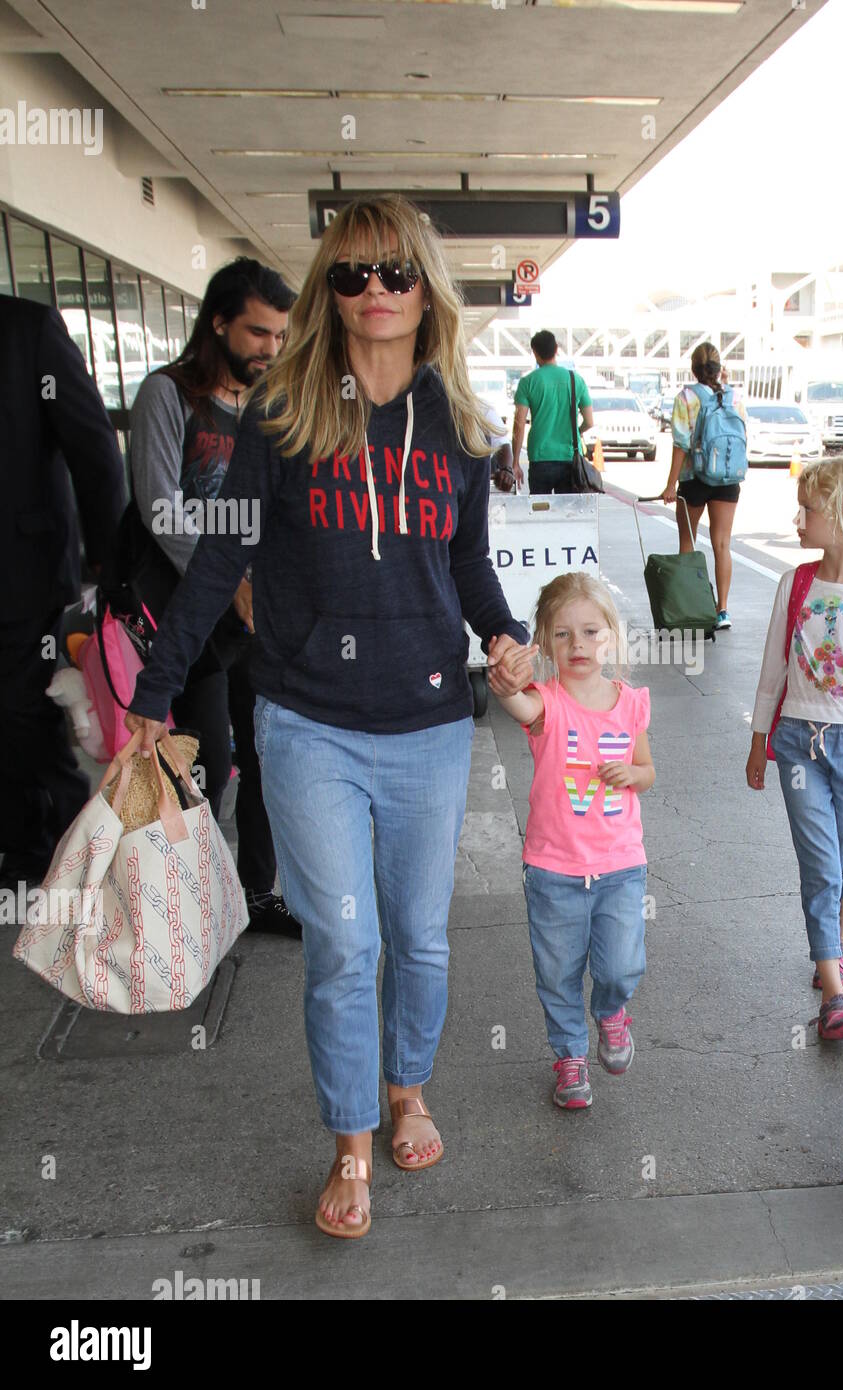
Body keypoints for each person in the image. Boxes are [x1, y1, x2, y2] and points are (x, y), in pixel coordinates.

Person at [125, 194, 533, 1239]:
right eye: (350, 275)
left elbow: (468, 569)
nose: (374, 293)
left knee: (421, 941)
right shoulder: (283, 419)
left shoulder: (462, 426)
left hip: (432, 725)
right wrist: (152, 693)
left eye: (395, 272)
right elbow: (220, 562)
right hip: (307, 723)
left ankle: (409, 1088)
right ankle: (352, 1138)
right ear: (328, 291)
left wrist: (508, 637)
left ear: (425, 285)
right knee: (345, 944)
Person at [127, 257, 299, 935]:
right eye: (259, 333)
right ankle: (189, 900)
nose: (271, 349)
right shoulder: (166, 395)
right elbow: (161, 511)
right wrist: (229, 581)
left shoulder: (270, 409)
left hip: (257, 616)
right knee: (207, 763)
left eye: (281, 336)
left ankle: (257, 894)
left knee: (265, 755)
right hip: (191, 617)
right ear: (218, 322)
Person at [489, 573, 655, 1111]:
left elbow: (648, 769)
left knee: (621, 964)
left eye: (589, 631)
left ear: (611, 635)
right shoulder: (547, 702)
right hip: (554, 868)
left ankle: (611, 1011)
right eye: (562, 635)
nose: (577, 645)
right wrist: (508, 685)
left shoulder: (630, 703)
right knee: (557, 971)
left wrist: (633, 774)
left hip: (620, 864)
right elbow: (519, 708)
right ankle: (570, 1056)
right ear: (544, 642)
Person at [746, 456, 843, 1041]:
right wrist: (759, 740)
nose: (799, 519)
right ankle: (833, 993)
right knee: (821, 865)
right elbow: (773, 668)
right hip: (799, 741)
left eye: (811, 509)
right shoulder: (795, 582)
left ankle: (839, 942)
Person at [0, 293, 126, 895]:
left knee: (24, 713)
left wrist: (110, 563)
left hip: (19, 572)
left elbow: (94, 447)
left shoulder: (26, 329)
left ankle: (65, 852)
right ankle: (25, 846)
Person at [659, 343, 745, 629]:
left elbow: (681, 444)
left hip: (694, 478)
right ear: (719, 368)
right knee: (722, 544)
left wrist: (670, 485)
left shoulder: (686, 397)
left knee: (688, 541)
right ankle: (723, 611)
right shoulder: (733, 398)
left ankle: (690, 606)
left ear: (694, 369)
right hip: (727, 479)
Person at [510, 330, 594, 494]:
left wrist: (515, 462)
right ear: (556, 349)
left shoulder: (528, 382)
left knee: (541, 515)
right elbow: (590, 421)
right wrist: (577, 431)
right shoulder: (575, 379)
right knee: (567, 515)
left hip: (540, 458)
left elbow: (519, 424)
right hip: (570, 457)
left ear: (534, 352)